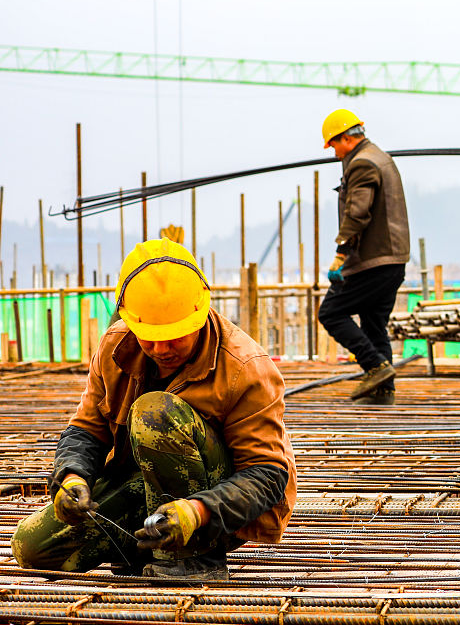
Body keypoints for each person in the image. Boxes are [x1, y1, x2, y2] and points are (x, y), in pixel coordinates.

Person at [10, 240, 297, 581]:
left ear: (199, 316)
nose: (162, 349)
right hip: (142, 488)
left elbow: (267, 477)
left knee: (154, 411)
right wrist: (71, 476)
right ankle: (142, 546)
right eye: (150, 336)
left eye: (175, 336)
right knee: (33, 548)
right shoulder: (115, 347)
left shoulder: (244, 367)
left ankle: (193, 558)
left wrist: (196, 511)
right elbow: (86, 429)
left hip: (215, 510)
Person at [317, 108, 411, 406]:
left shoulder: (361, 163)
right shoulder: (380, 157)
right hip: (394, 260)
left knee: (330, 312)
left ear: (345, 138)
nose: (333, 153)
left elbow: (358, 212)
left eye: (333, 145)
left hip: (374, 260)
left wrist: (340, 254)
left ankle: (375, 367)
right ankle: (384, 391)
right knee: (373, 323)